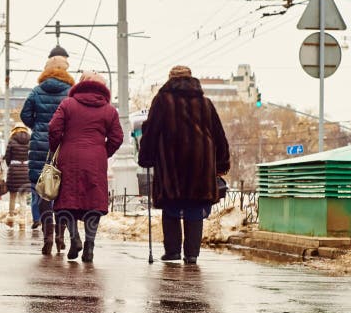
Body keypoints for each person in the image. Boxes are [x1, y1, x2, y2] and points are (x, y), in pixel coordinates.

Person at [137, 65, 231, 264]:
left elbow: (151, 131)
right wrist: (222, 162)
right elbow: (218, 134)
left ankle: (172, 251)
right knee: (195, 208)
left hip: (171, 164)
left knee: (171, 206)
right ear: (191, 78)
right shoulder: (205, 103)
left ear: (170, 79)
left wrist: (146, 156)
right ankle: (192, 254)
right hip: (200, 163)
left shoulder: (162, 101)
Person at [48, 71, 124, 262]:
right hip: (96, 159)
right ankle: (89, 246)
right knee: (93, 203)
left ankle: (75, 239)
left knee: (68, 200)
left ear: (81, 84)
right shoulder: (109, 110)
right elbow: (117, 137)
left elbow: (53, 128)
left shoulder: (68, 104)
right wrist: (103, 152)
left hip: (70, 156)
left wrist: (57, 146)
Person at [21, 54, 74, 253]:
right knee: (62, 191)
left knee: (42, 190)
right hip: (63, 145)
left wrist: (38, 126)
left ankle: (48, 235)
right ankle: (61, 234)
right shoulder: (70, 93)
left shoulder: (36, 91)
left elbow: (24, 114)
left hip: (40, 146)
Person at [3, 122, 31, 222]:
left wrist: (10, 165)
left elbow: (7, 157)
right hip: (25, 170)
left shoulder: (12, 140)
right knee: (23, 197)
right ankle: (22, 219)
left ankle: (11, 217)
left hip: (14, 170)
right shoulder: (29, 140)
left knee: (12, 195)